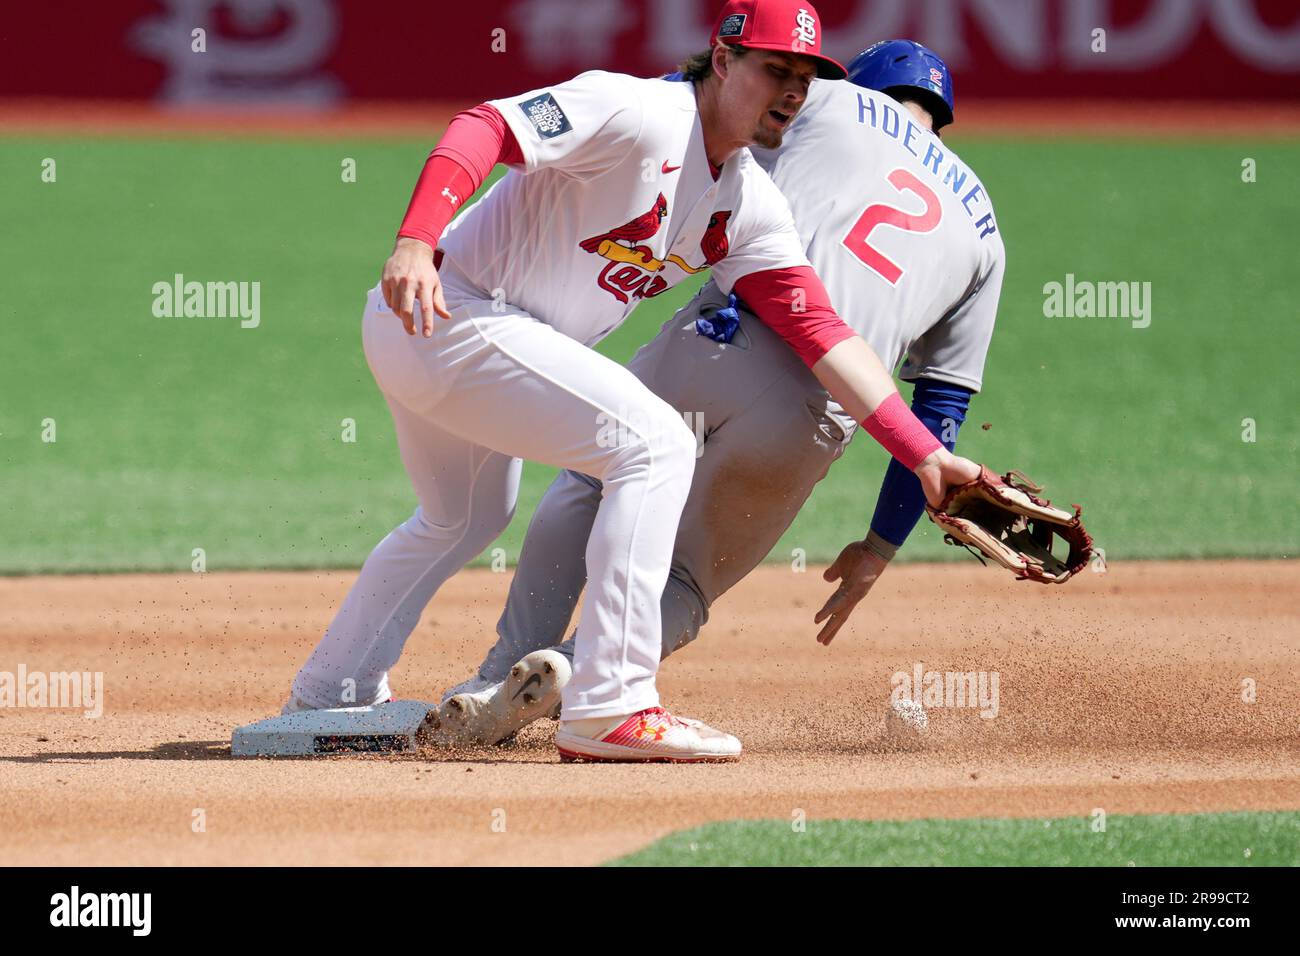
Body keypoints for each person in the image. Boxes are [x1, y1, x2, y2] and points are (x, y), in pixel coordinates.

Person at [285, 3, 980, 762]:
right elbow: (484, 124)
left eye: (807, 77)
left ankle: (331, 698)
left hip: (459, 343)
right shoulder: (639, 110)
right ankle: (611, 704)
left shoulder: (747, 201)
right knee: (652, 444)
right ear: (722, 60)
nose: (792, 89)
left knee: (465, 517)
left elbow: (824, 334)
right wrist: (416, 240)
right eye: (775, 68)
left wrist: (924, 456)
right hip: (452, 312)